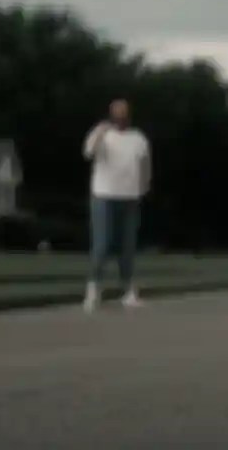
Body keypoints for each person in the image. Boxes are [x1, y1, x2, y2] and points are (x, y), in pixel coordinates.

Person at [82, 98, 152, 313]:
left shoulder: (138, 138)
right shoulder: (102, 135)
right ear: (111, 115)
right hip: (103, 195)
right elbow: (88, 153)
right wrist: (100, 133)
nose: (120, 117)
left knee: (127, 246)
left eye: (124, 113)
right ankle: (94, 289)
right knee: (102, 244)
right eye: (116, 113)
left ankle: (128, 292)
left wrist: (144, 186)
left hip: (129, 197)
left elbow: (145, 164)